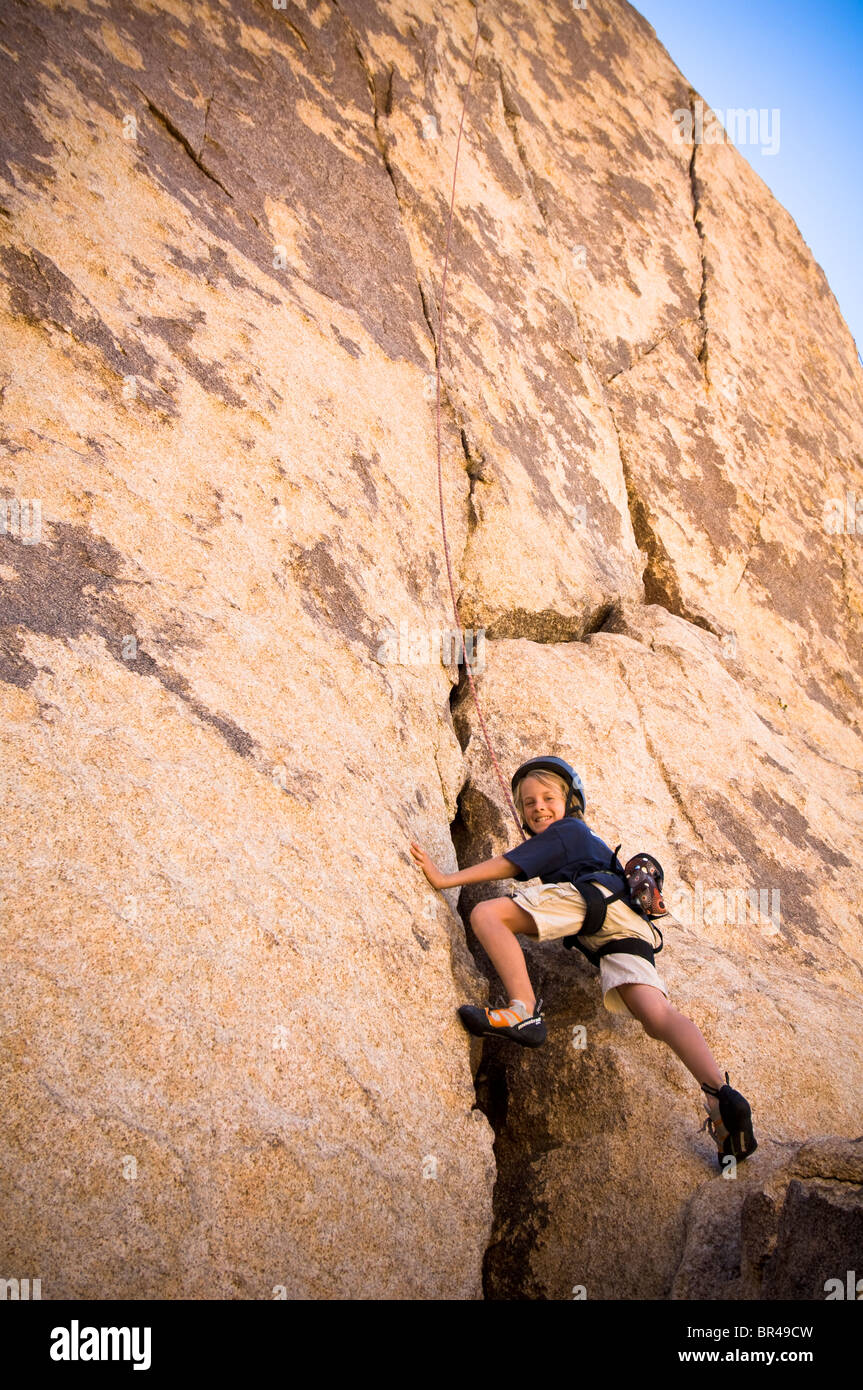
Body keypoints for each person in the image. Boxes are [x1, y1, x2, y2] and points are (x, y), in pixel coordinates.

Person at [409, 755, 757, 1167]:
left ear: (571, 802)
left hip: (593, 898)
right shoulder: (591, 843)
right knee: (656, 1015)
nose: (538, 807)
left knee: (487, 914)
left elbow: (510, 863)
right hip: (628, 926)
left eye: (547, 798)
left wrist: (447, 878)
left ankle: (522, 1011)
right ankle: (722, 1097)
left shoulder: (568, 830)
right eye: (528, 803)